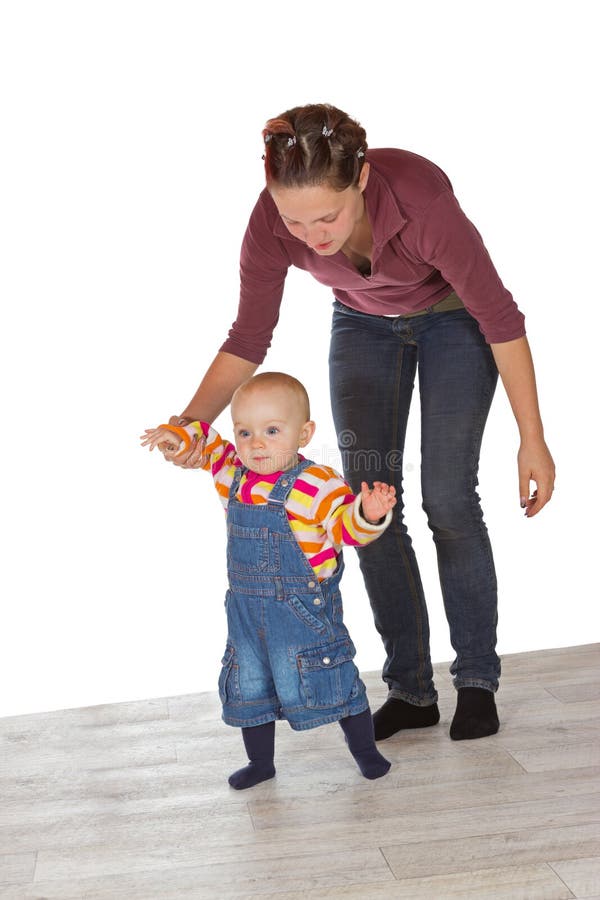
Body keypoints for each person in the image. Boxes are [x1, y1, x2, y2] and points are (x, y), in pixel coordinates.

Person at [154, 103, 555, 743]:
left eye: (327, 217)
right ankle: (412, 689)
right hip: (362, 324)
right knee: (369, 506)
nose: (311, 236)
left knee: (449, 500)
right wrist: (190, 424)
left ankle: (476, 681)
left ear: (361, 180)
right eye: (294, 219)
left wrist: (532, 439)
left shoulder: (422, 205)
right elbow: (247, 336)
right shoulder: (269, 224)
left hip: (456, 320)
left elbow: (502, 321)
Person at [141, 371, 396, 788]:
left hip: (304, 612)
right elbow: (207, 444)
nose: (255, 443)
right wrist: (177, 437)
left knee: (334, 680)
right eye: (245, 432)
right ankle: (261, 763)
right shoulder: (233, 474)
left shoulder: (318, 484)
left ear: (304, 433)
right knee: (250, 687)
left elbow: (345, 530)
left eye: (272, 431)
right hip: (247, 613)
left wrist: (368, 513)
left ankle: (366, 751)